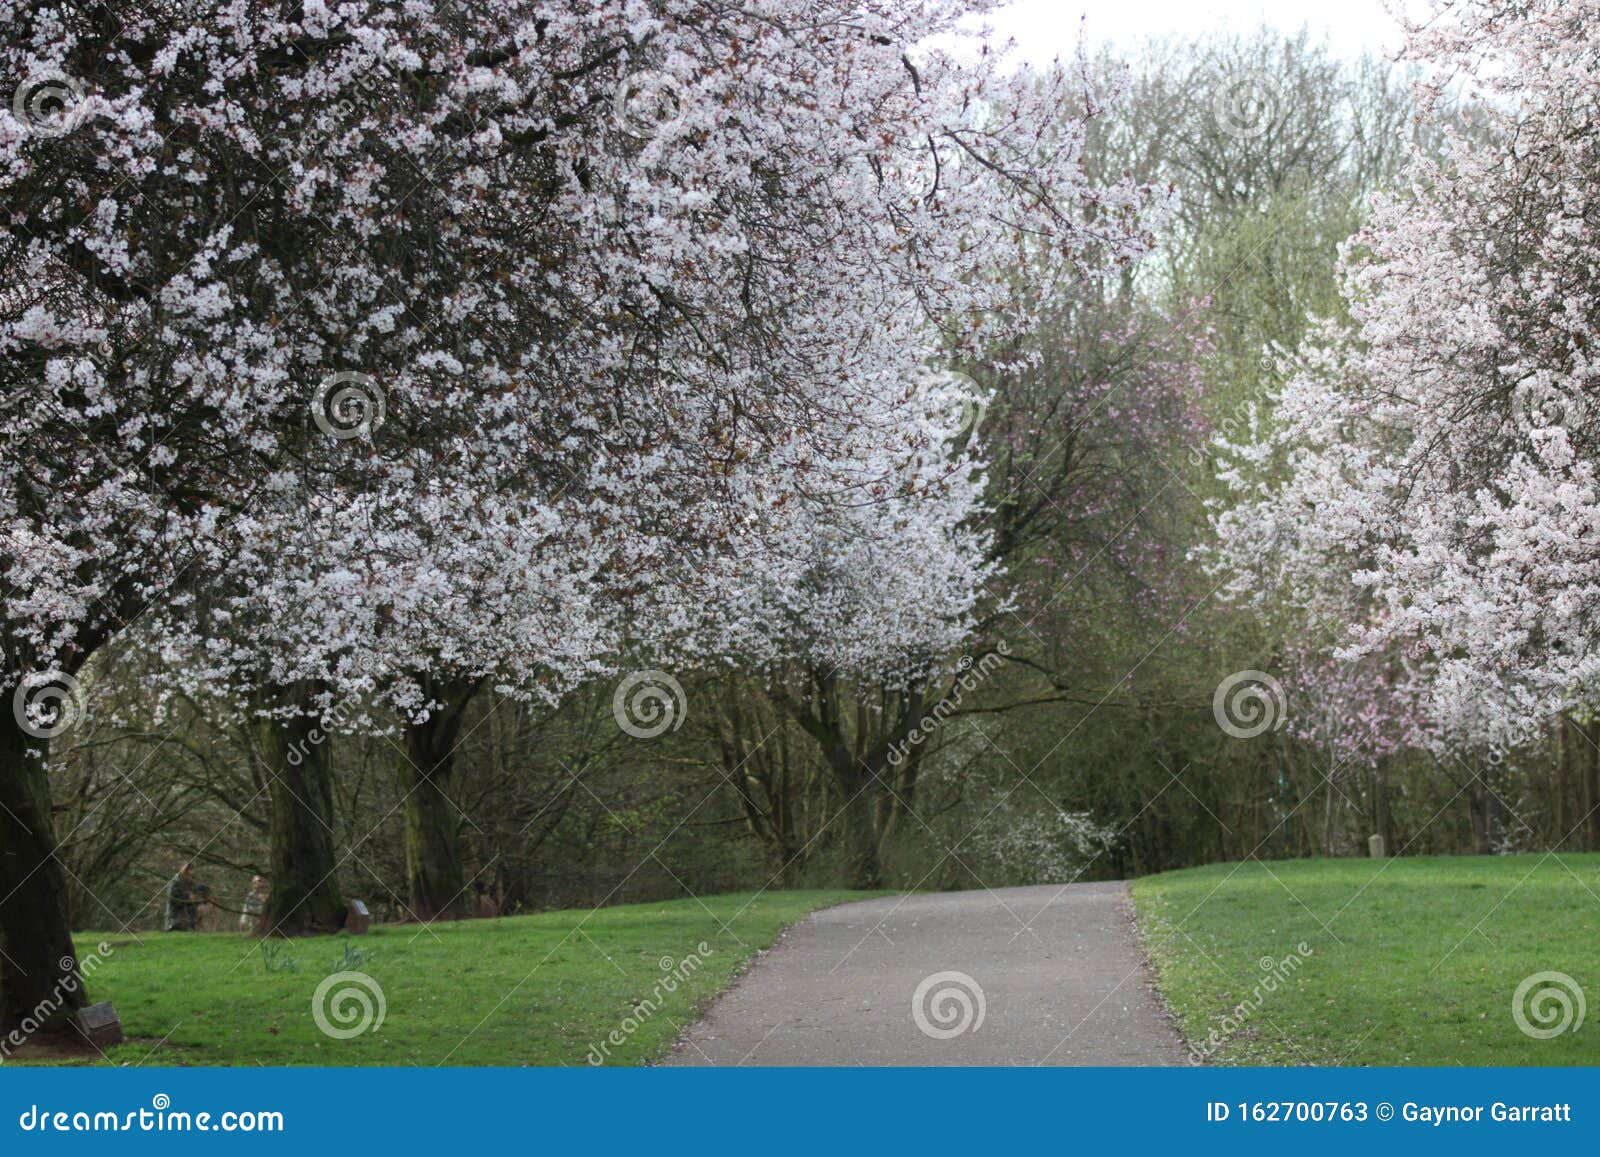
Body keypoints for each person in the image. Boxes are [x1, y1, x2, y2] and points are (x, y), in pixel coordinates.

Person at [164, 861, 212, 932]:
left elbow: (201, 892)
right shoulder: (175, 883)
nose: (190, 877)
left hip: (188, 919)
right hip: (175, 920)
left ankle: (192, 927)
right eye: (188, 874)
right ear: (184, 872)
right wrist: (187, 897)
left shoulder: (191, 883)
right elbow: (174, 900)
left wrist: (203, 904)